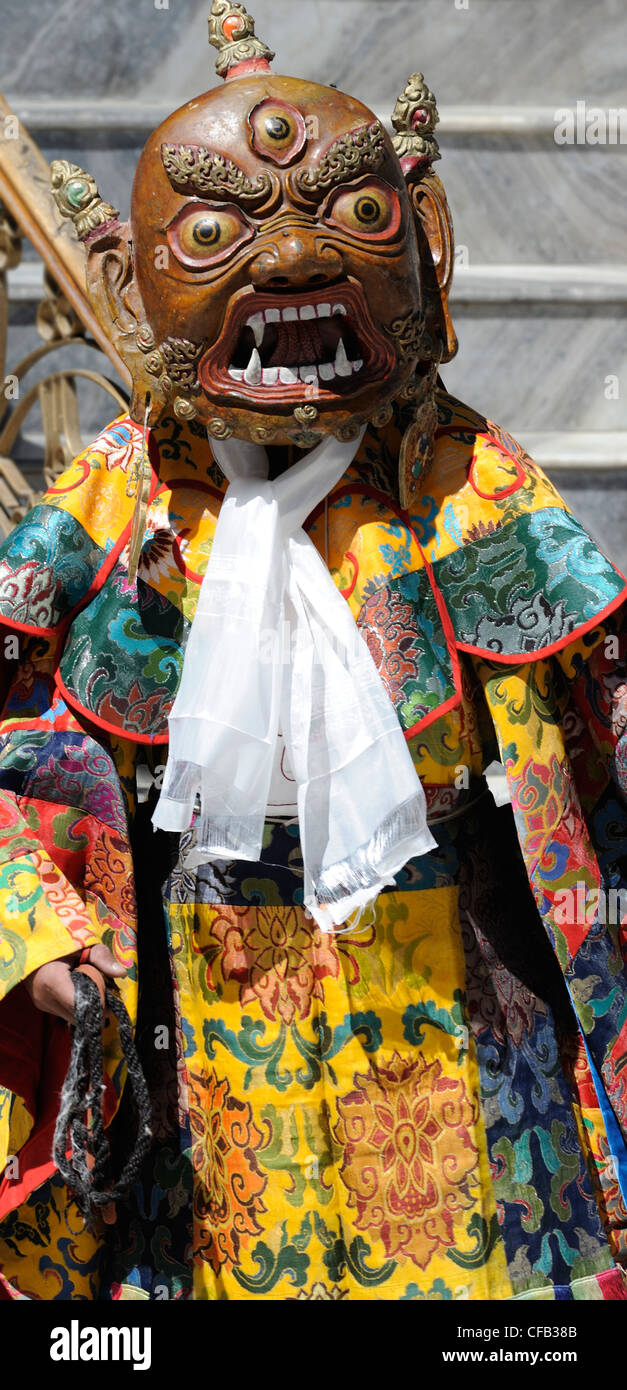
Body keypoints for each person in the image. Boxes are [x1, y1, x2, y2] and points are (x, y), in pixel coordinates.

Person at [0, 1, 625, 1301]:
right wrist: (37, 934)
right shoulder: (125, 498)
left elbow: (601, 698)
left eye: (354, 219)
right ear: (129, 288)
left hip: (465, 972)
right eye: (220, 235)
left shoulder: (464, 475)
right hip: (223, 995)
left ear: (426, 258)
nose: (289, 264)